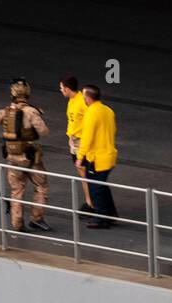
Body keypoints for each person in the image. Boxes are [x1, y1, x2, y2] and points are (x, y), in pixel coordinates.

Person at [0, 78, 51, 232]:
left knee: (16, 191)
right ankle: (37, 219)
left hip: (13, 159)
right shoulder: (31, 112)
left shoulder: (6, 111)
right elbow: (44, 131)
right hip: (31, 158)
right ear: (27, 94)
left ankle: (17, 224)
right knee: (41, 186)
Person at [77, 85, 118, 228]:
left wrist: (80, 156)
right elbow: (113, 130)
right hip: (109, 155)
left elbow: (87, 138)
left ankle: (101, 218)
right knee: (102, 186)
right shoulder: (108, 110)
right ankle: (110, 213)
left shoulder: (91, 113)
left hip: (96, 158)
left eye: (83, 96)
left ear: (88, 98)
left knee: (95, 189)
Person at [59, 75, 92, 210]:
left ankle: (91, 203)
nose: (60, 90)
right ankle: (89, 201)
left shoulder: (81, 101)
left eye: (61, 88)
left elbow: (92, 119)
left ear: (67, 89)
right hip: (74, 141)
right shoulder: (72, 100)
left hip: (81, 141)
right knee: (82, 173)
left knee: (85, 173)